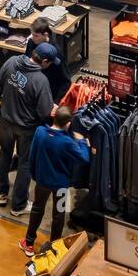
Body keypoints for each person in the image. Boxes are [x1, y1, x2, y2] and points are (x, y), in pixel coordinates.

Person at [0, 42, 55, 215]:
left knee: (5, 153)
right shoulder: (41, 80)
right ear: (45, 61)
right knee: (25, 164)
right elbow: (44, 112)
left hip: (5, 121)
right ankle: (18, 205)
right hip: (26, 129)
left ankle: (1, 192)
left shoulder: (11, 62)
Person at [22, 106, 91, 257]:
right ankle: (53, 247)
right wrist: (82, 142)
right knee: (58, 215)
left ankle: (28, 242)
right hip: (61, 186)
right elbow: (84, 158)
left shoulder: (40, 132)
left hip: (41, 181)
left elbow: (32, 155)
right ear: (68, 123)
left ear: (54, 117)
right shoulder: (68, 142)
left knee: (36, 209)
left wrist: (34, 175)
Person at [26, 19, 72, 103]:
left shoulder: (56, 53)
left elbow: (66, 81)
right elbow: (26, 63)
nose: (33, 38)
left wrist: (56, 102)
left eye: (36, 35)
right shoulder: (31, 43)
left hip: (49, 93)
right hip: (31, 90)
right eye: (32, 35)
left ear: (45, 35)